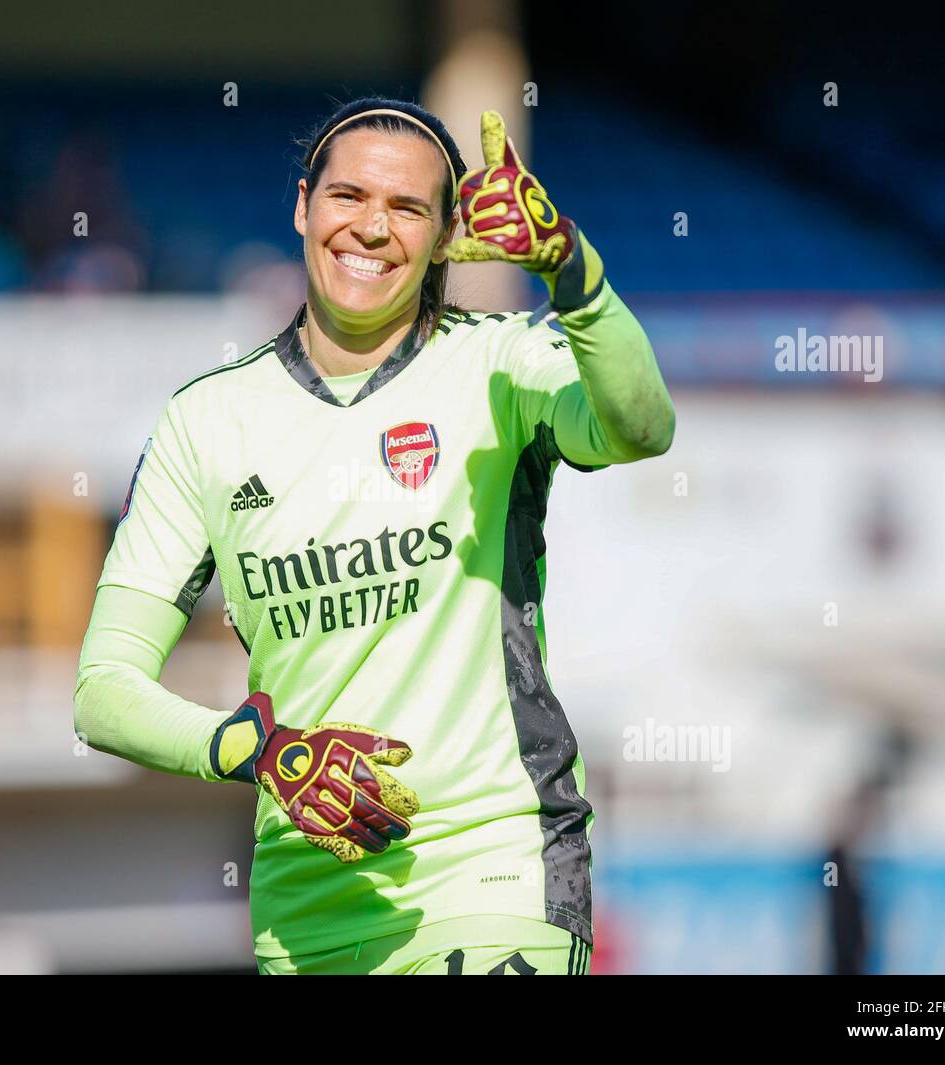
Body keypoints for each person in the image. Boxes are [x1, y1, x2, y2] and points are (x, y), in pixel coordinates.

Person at [74, 96, 675, 975]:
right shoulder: (207, 421)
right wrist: (259, 750)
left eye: (407, 208)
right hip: (305, 920)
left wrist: (571, 269)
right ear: (303, 209)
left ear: (444, 236)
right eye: (348, 197)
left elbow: (640, 425)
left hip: (496, 874)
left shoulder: (500, 363)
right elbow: (104, 689)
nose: (372, 227)